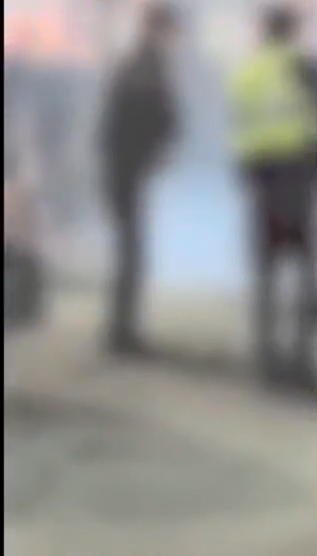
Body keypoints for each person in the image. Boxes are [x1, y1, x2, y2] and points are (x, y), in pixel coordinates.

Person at [228, 3, 317, 387]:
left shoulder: (246, 73)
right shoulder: (299, 68)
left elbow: (237, 127)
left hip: (260, 180)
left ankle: (266, 359)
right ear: (291, 31)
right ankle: (298, 357)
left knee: (265, 272)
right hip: (294, 177)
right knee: (303, 272)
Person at [98, 1, 180, 355]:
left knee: (130, 249)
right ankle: (122, 331)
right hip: (126, 168)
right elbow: (149, 115)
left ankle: (122, 327)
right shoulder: (145, 65)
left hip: (125, 167)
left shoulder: (139, 63)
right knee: (131, 251)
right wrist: (163, 137)